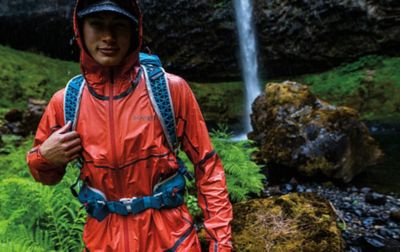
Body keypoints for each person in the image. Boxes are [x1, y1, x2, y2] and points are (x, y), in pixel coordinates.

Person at [26, 0, 233, 251]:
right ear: (80, 30)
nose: (108, 36)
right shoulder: (67, 101)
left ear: (134, 31)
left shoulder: (169, 90)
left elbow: (207, 166)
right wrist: (46, 157)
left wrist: (220, 243)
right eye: (97, 24)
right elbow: (45, 176)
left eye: (119, 25)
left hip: (172, 241)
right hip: (102, 243)